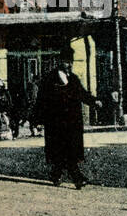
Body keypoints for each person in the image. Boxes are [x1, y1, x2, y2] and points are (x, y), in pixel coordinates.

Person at [33, 53, 101, 188]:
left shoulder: (73, 78)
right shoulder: (50, 79)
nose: (69, 65)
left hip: (72, 122)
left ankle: (56, 174)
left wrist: (94, 102)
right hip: (56, 123)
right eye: (66, 61)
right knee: (65, 151)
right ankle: (77, 178)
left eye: (70, 62)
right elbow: (41, 101)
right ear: (59, 62)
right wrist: (37, 120)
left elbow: (82, 94)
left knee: (67, 151)